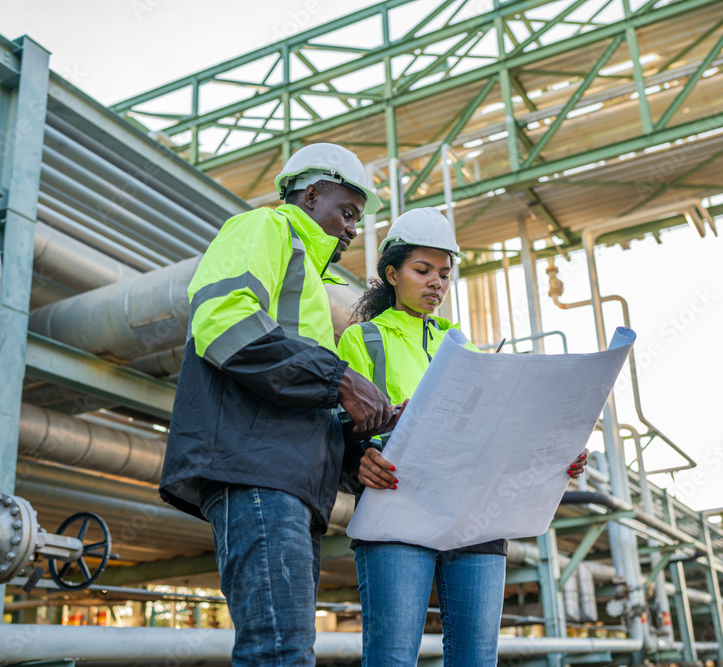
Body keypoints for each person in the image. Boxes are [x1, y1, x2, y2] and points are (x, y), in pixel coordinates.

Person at [160, 143, 402, 666]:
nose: (353, 228)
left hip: (285, 480)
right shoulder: (264, 230)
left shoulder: (311, 285)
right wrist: (340, 379)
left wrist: (355, 445)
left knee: (286, 649)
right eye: (348, 211)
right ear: (311, 194)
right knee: (279, 651)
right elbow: (222, 322)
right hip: (257, 474)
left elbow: (299, 398)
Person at [336, 208, 588, 666]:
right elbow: (343, 426)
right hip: (398, 512)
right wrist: (355, 460)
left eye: (445, 274)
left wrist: (554, 454)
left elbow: (500, 432)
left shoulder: (468, 349)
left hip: (475, 518)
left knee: (477, 659)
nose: (436, 282)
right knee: (392, 658)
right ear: (392, 274)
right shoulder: (365, 341)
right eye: (423, 270)